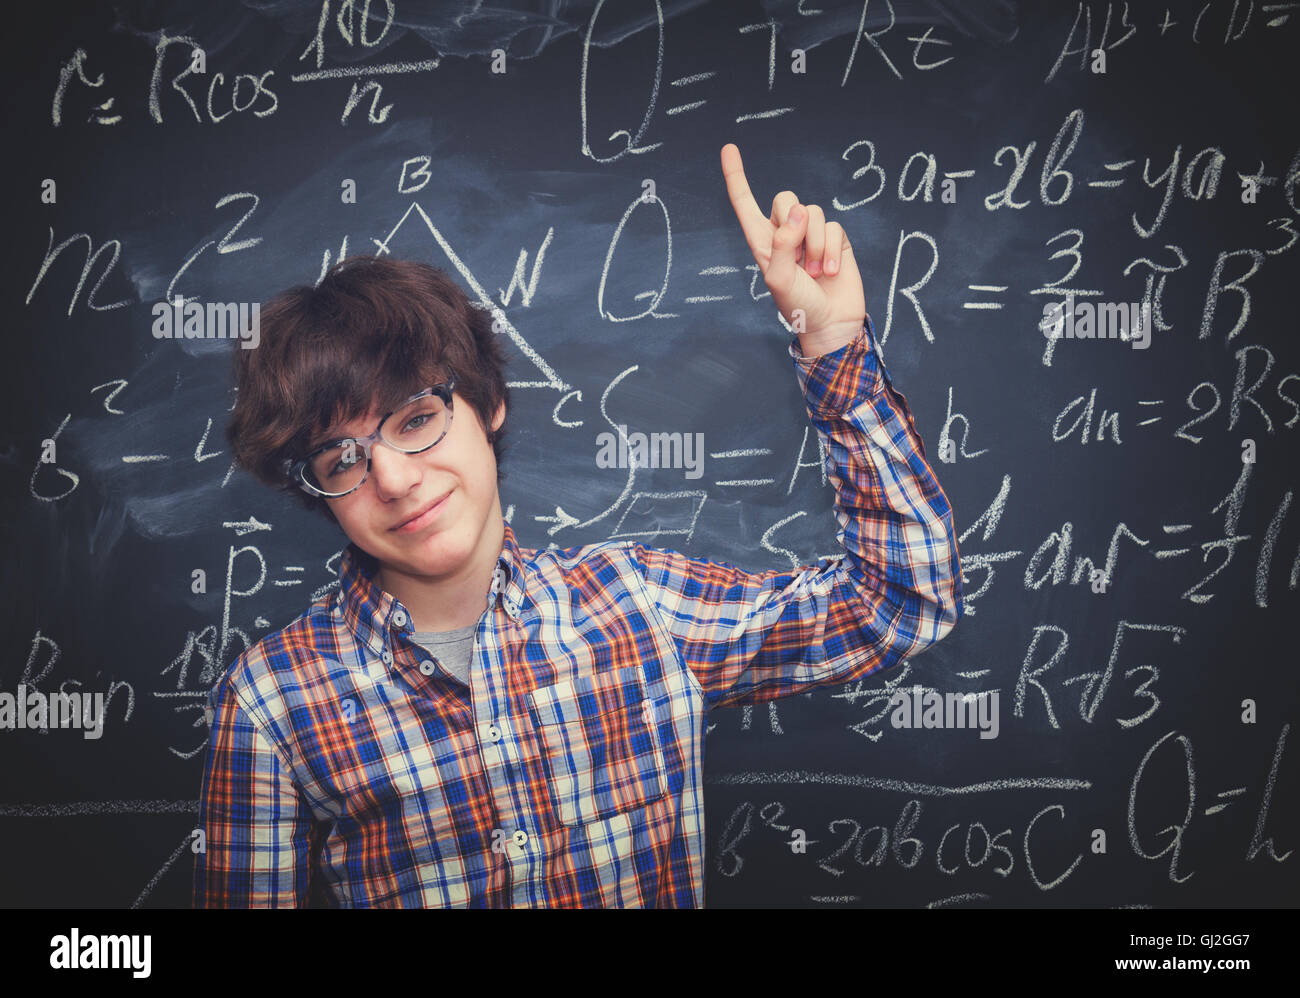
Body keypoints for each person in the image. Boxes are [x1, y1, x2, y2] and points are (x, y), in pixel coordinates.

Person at [192, 143, 963, 907]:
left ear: (488, 404)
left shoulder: (638, 604)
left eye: (418, 418)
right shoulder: (272, 702)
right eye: (341, 460)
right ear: (318, 490)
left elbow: (898, 602)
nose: (393, 478)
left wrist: (833, 343)